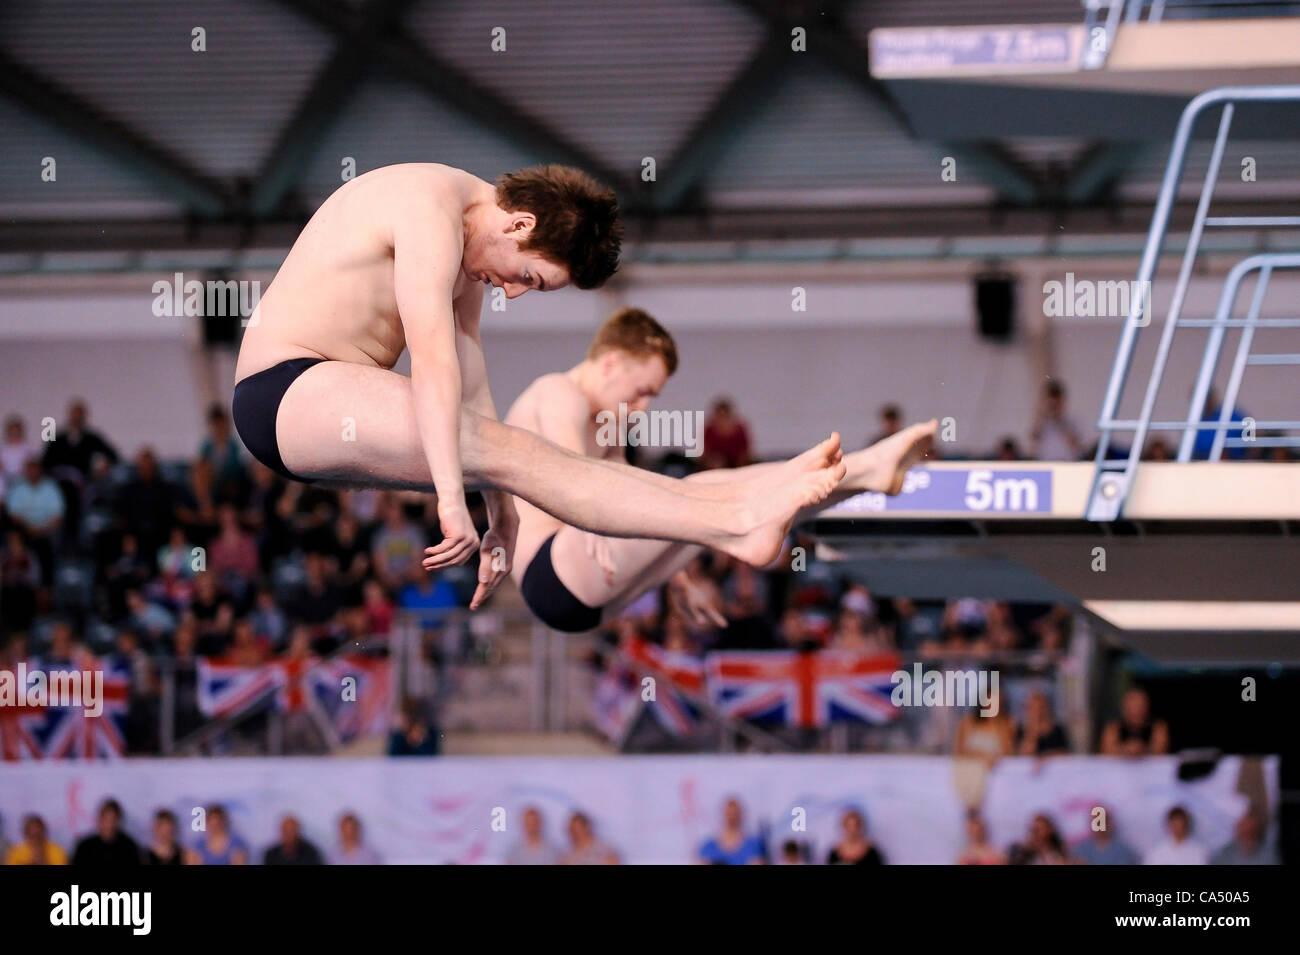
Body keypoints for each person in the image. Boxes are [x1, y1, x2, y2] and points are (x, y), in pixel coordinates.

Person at [231, 163, 846, 616]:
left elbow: (471, 386)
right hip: (284, 390)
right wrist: (453, 500)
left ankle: (736, 516)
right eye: (529, 277)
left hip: (330, 403)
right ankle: (734, 522)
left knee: (521, 453)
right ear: (520, 222)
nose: (515, 292)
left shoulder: (467, 244)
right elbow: (435, 365)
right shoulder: (427, 210)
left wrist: (502, 518)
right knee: (522, 453)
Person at [501, 307, 936, 633]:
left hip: (592, 593)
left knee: (778, 505)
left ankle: (862, 477)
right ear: (611, 363)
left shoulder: (608, 422)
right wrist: (598, 525)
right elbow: (572, 477)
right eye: (640, 393)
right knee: (697, 488)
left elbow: (633, 499)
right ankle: (859, 467)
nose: (643, 408)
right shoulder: (558, 393)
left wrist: (682, 576)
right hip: (550, 572)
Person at [1100, 686, 1170, 756]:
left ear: (1147, 705)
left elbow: (1161, 749)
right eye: (1132, 704)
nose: (1136, 709)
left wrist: (1142, 750)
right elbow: (1106, 750)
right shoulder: (1114, 727)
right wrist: (1126, 750)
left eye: (1140, 704)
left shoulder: (1158, 726)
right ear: (1124, 707)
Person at [71, 798, 142, 866]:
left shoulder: (129, 847)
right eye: (106, 819)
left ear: (119, 822)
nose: (109, 825)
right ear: (99, 819)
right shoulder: (85, 847)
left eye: (113, 820)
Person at [698, 798, 765, 865]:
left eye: (735, 813)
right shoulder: (709, 846)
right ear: (724, 814)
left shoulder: (753, 845)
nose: (732, 817)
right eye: (729, 813)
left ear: (740, 815)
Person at [1029, 380, 1083, 461]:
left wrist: (1060, 420)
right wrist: (1041, 415)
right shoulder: (1042, 420)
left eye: (1056, 402)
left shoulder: (1072, 419)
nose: (1053, 405)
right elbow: (1033, 437)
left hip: (1067, 463)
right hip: (1046, 463)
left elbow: (1076, 444)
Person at [1072, 806, 1138, 866]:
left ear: (1109, 823)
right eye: (1096, 822)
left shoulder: (1123, 850)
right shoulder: (1081, 849)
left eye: (1102, 822)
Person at [1144, 806, 1208, 865]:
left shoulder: (1197, 852)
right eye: (1174, 823)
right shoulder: (1157, 852)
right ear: (1168, 825)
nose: (1177, 827)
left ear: (1186, 824)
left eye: (1180, 823)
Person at [1210, 810, 1277, 865]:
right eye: (1243, 832)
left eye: (1251, 832)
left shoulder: (1270, 856)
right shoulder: (1226, 853)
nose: (1246, 837)